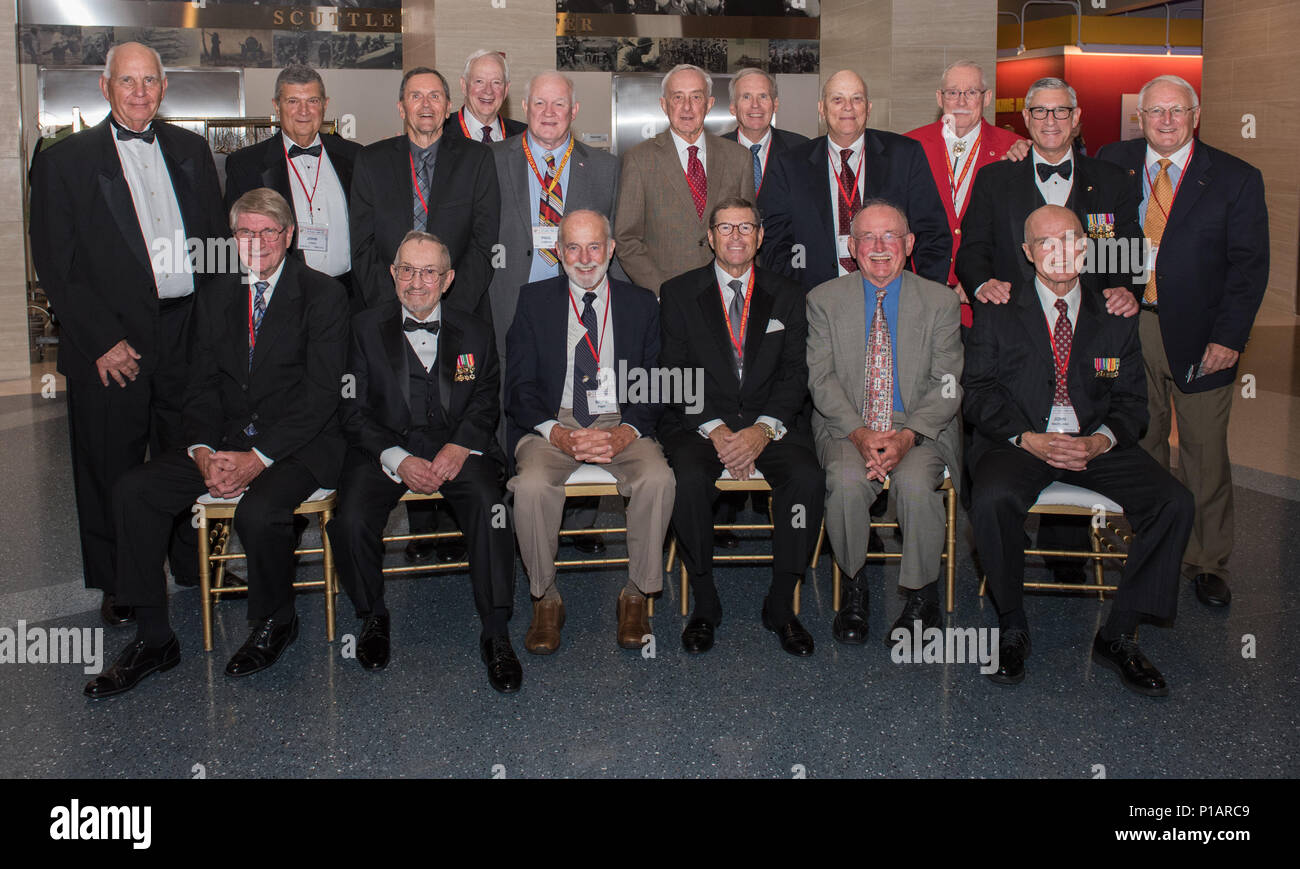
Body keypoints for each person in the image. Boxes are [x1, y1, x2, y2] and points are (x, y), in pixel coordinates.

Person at [83, 188, 349, 698]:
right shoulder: (217, 296)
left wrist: (258, 458)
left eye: (269, 231)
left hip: (299, 445)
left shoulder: (323, 295)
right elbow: (199, 386)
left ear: (289, 236)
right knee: (135, 490)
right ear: (233, 238)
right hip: (226, 442)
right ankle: (154, 638)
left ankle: (276, 621)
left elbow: (319, 398)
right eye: (246, 232)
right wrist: (203, 450)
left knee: (260, 511)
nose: (258, 242)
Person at [28, 42, 226, 626]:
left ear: (164, 89)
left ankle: (190, 564)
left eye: (150, 82)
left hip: (185, 329)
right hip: (111, 344)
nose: (140, 92)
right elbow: (55, 265)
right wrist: (100, 340)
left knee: (188, 453)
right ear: (105, 86)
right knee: (109, 464)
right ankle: (118, 581)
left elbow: (214, 248)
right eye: (128, 81)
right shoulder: (65, 161)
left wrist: (214, 332)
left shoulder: (191, 150)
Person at [962, 205, 1193, 696]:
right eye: (1045, 243)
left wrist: (1098, 441)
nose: (1059, 250)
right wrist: (1027, 438)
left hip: (1094, 441)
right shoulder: (998, 311)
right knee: (992, 498)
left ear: (1085, 247)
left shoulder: (1114, 315)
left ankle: (1118, 633)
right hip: (1019, 440)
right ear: (1028, 253)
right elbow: (978, 393)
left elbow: (1131, 402)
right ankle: (1012, 624)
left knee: (1174, 502)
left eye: (1068, 239)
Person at [956, 76, 1142, 583]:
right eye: (1040, 113)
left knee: (1083, 424)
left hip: (1087, 336)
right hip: (1013, 339)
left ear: (1077, 118)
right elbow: (972, 248)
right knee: (1005, 449)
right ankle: (1003, 553)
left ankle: (1066, 556)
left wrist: (1128, 291)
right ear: (1027, 119)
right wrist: (981, 285)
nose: (1051, 121)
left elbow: (1126, 251)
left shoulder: (1112, 180)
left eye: (1061, 112)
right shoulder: (996, 179)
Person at [1096, 74, 1269, 608]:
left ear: (1196, 115)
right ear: (1140, 118)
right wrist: (1116, 288)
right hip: (1129, 328)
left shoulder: (1235, 177)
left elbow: (1249, 268)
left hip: (1202, 337)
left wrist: (1230, 339)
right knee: (1135, 442)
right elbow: (1100, 230)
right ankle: (1142, 542)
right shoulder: (1112, 159)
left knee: (1203, 452)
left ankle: (1206, 560)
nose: (1165, 121)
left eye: (1177, 111)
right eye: (1155, 112)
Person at [327, 231, 521, 693]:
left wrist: (460, 446)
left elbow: (485, 400)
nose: (417, 282)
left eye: (428, 271)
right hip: (385, 446)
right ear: (392, 274)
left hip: (456, 444)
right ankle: (372, 615)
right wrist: (398, 459)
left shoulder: (474, 330)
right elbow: (351, 410)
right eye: (407, 270)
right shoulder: (362, 327)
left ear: (448, 279)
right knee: (350, 518)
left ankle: (495, 630)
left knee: (492, 510)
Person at [659, 197, 824, 656]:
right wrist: (714, 429)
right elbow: (671, 372)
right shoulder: (678, 292)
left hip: (769, 424)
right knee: (687, 479)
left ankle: (781, 603)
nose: (736, 236)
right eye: (725, 228)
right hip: (700, 425)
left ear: (761, 236)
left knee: (808, 478)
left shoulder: (789, 294)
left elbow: (797, 374)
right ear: (709, 237)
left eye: (746, 227)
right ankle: (706, 602)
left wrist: (763, 430)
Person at [505, 210, 675, 654]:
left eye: (594, 246)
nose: (584, 258)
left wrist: (627, 432)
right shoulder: (533, 301)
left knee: (658, 479)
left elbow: (657, 381)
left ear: (612, 249)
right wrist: (556, 434)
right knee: (531, 486)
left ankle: (636, 594)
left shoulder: (641, 303)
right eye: (573, 247)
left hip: (621, 422)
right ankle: (545, 597)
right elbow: (518, 387)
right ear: (558, 252)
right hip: (553, 423)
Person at [807, 199, 963, 647]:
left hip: (920, 426)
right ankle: (854, 587)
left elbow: (949, 384)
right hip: (848, 423)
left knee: (915, 488)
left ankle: (920, 595)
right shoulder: (824, 300)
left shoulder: (939, 301)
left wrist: (908, 435)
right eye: (868, 238)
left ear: (909, 244)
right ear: (852, 247)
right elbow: (821, 378)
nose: (879, 247)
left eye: (890, 236)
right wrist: (859, 433)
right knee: (845, 481)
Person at [489, 70, 625, 554]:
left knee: (585, 395)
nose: (550, 113)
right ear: (524, 107)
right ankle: (522, 513)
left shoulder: (605, 168)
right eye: (540, 103)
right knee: (517, 398)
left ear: (575, 110)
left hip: (584, 302)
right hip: (515, 301)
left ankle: (582, 522)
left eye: (560, 104)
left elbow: (617, 244)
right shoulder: (493, 159)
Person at [758, 69, 950, 291]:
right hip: (814, 301)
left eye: (856, 99)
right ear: (822, 108)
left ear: (868, 108)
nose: (847, 107)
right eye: (837, 99)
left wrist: (921, 294)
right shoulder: (789, 165)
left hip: (893, 297)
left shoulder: (905, 156)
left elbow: (932, 233)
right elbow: (774, 243)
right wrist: (801, 296)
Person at [350, 66, 500, 317]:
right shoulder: (371, 161)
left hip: (458, 308)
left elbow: (485, 244)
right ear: (401, 107)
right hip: (387, 308)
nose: (426, 105)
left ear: (448, 106)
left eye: (435, 96)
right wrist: (390, 307)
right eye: (416, 96)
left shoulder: (477, 159)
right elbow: (362, 246)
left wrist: (451, 309)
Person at [225, 65, 362, 308]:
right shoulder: (246, 165)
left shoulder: (355, 156)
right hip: (283, 298)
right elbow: (236, 241)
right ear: (276, 105)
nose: (304, 111)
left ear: (325, 104)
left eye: (312, 100)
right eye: (292, 101)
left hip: (350, 296)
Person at [614, 64, 755, 295]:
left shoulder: (738, 158)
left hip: (728, 293)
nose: (687, 107)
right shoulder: (639, 160)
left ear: (709, 104)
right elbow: (627, 239)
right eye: (677, 97)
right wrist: (664, 291)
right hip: (667, 295)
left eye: (696, 97)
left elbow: (749, 231)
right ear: (664, 105)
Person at [903, 60, 1024, 324]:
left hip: (985, 299)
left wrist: (976, 280)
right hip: (921, 296)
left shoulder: (1014, 150)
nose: (961, 100)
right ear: (939, 97)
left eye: (971, 92)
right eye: (952, 92)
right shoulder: (910, 146)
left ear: (987, 97)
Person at [721, 67, 809, 193]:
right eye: (746, 97)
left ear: (775, 105)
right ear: (733, 107)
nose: (755, 105)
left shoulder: (802, 150)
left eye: (763, 96)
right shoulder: (713, 152)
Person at [444, 49, 526, 144]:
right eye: (479, 81)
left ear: (506, 89)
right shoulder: (440, 132)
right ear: (464, 86)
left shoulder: (524, 137)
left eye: (496, 82)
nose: (488, 91)